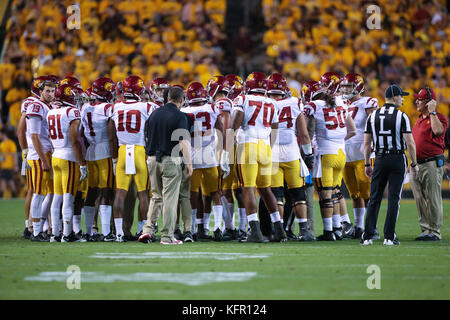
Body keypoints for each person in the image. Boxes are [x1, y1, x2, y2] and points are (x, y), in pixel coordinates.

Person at [231, 71, 286, 243]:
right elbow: (275, 129)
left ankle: (255, 231)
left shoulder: (243, 99)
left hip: (248, 144)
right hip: (265, 146)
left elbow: (236, 120)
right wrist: (270, 147)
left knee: (248, 188)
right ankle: (280, 230)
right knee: (265, 189)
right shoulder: (272, 102)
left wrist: (227, 145)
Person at [361, 84, 419, 246]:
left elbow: (367, 144)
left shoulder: (372, 116)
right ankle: (388, 236)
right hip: (397, 158)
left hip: (379, 159)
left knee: (374, 198)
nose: (402, 99)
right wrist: (414, 163)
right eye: (401, 96)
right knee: (394, 198)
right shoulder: (402, 116)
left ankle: (367, 236)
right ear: (394, 97)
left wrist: (367, 163)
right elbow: (410, 143)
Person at [304, 74, 356, 241]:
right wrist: (338, 140)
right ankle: (337, 229)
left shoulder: (314, 105)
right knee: (334, 193)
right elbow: (353, 130)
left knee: (325, 194)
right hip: (341, 153)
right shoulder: (342, 102)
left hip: (326, 153)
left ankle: (328, 232)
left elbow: (305, 130)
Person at [139, 86, 193, 245]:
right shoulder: (180, 116)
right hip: (170, 160)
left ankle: (147, 230)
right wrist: (189, 163)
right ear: (181, 100)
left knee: (156, 196)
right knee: (170, 199)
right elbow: (183, 141)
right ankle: (167, 236)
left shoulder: (154, 113)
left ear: (167, 98)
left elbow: (147, 138)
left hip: (152, 159)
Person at [266, 73, 314, 241]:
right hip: (292, 152)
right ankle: (304, 231)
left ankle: (278, 231)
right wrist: (308, 154)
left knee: (277, 195)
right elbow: (304, 133)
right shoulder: (294, 102)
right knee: (298, 193)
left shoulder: (265, 103)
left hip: (272, 152)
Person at [108, 75, 156, 242]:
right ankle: (143, 230)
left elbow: (111, 136)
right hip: (139, 151)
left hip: (122, 151)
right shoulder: (147, 106)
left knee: (120, 194)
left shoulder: (115, 107)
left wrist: (114, 158)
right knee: (143, 195)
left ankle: (119, 233)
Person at [182, 82, 227, 241]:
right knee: (216, 192)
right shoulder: (212, 108)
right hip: (209, 155)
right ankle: (217, 228)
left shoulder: (184, 110)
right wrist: (224, 154)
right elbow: (221, 130)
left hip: (192, 154)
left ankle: (192, 229)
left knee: (192, 194)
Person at [340, 73, 379, 239]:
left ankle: (373, 227)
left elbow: (376, 125)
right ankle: (359, 227)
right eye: (344, 86)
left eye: (349, 86)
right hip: (345, 154)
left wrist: (375, 146)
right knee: (354, 193)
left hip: (363, 154)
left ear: (358, 87)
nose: (345, 89)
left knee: (368, 193)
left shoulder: (368, 102)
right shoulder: (340, 103)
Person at [47, 84, 88, 242]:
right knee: (68, 197)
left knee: (57, 197)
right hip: (68, 157)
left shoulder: (52, 111)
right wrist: (82, 163)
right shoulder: (72, 112)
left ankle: (55, 233)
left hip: (56, 155)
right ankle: (67, 234)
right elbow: (75, 139)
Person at [410, 87, 447, 241]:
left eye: (420, 99)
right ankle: (425, 229)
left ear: (428, 102)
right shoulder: (418, 119)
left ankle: (435, 231)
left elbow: (438, 131)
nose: (416, 101)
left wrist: (432, 112)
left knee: (432, 197)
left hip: (431, 163)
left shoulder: (439, 117)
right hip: (416, 164)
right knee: (419, 198)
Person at [81, 77, 116, 241]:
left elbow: (81, 133)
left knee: (92, 191)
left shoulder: (85, 107)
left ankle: (88, 231)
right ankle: (106, 231)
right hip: (104, 150)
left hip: (90, 151)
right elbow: (111, 134)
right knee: (105, 191)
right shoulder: (108, 107)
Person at [25, 77, 57, 241]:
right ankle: (35, 231)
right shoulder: (36, 106)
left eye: (52, 91)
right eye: (47, 91)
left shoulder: (48, 106)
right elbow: (35, 136)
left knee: (49, 192)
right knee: (38, 193)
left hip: (47, 154)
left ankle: (41, 227)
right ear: (40, 92)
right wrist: (44, 160)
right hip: (39, 156)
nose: (50, 94)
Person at [0, 129, 18, 198]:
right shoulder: (1, 144)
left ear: (3, 134)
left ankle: (2, 196)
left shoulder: (11, 143)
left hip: (8, 165)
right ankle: (14, 195)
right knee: (9, 181)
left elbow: (14, 154)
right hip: (3, 166)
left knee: (4, 181)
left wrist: (15, 165)